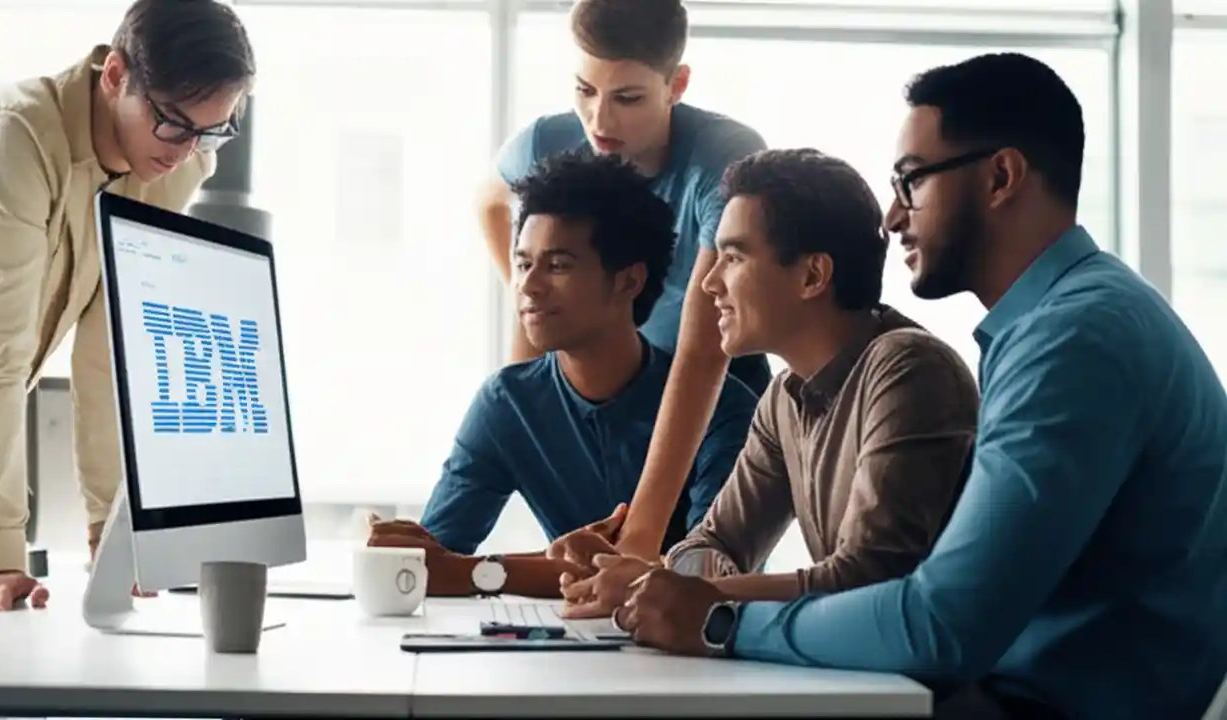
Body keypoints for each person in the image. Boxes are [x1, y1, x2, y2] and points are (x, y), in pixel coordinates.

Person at [614, 53, 1227, 720]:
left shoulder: (1074, 339)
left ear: (1000, 177)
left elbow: (942, 622)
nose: (890, 217)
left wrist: (721, 620)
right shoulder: (1060, 324)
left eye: (910, 182)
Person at [559, 149, 977, 619]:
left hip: (931, 688)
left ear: (813, 275)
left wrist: (658, 588)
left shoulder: (908, 368)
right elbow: (715, 540)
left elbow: (869, 577)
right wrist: (663, 584)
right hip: (865, 679)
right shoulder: (784, 396)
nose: (709, 283)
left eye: (733, 257)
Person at [0, 0, 255, 614]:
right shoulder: (13, 138)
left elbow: (111, 351)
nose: (186, 149)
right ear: (115, 74)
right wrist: (2, 555)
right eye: (173, 122)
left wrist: (110, 534)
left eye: (210, 129)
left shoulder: (175, 160)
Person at [370, 153, 756, 598]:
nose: (528, 286)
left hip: (697, 660)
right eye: (523, 263)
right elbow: (436, 563)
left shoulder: (726, 410)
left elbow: (705, 579)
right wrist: (400, 553)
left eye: (557, 266)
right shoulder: (507, 403)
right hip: (568, 649)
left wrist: (486, 571)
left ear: (628, 281)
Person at [478, 0, 772, 560]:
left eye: (627, 98)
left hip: (714, 379)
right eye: (585, 91)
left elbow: (702, 352)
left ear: (676, 85)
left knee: (696, 571)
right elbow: (489, 201)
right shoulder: (546, 141)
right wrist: (532, 316)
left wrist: (639, 539)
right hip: (614, 379)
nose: (600, 121)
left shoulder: (724, 159)